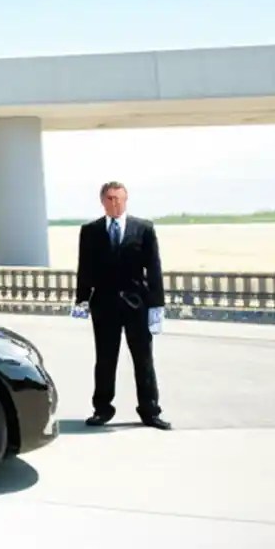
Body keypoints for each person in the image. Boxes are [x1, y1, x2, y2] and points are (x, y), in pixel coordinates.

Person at [75, 181, 171, 430]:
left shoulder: (144, 229)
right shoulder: (90, 230)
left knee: (143, 360)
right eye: (109, 198)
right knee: (105, 359)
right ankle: (102, 409)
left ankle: (150, 411)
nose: (114, 203)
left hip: (137, 305)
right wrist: (81, 300)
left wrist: (157, 306)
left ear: (126, 200)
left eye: (118, 198)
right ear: (102, 201)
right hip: (104, 305)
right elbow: (84, 268)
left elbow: (154, 268)